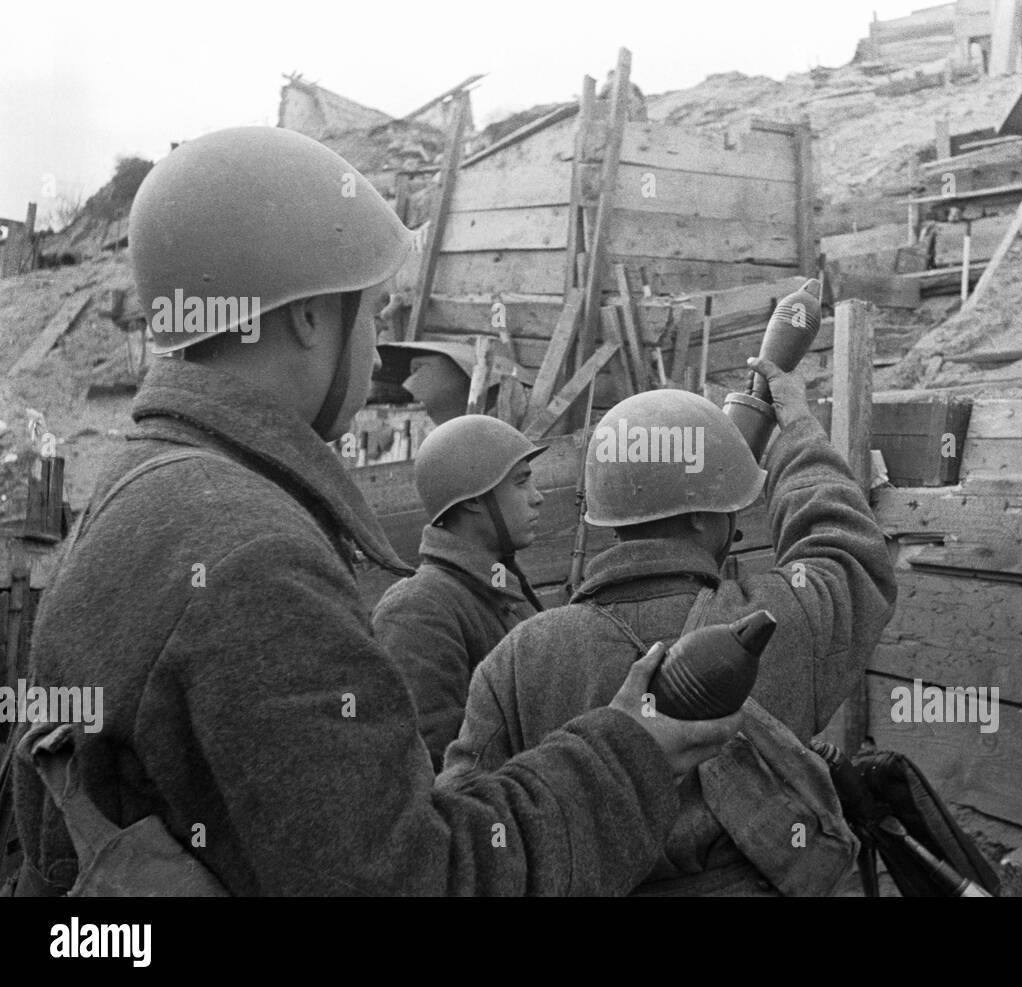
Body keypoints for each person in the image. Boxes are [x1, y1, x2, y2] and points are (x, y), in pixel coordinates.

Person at [9, 126, 738, 897]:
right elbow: (417, 880)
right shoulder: (253, 561)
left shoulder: (141, 491)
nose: (376, 347)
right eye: (375, 313)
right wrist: (631, 758)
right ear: (310, 317)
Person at [442, 375, 898, 896]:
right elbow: (848, 551)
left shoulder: (517, 657)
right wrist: (795, 426)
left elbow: (464, 825)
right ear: (707, 521)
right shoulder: (781, 617)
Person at [372, 416, 545, 769]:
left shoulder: (503, 587)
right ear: (474, 500)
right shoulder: (418, 611)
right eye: (521, 482)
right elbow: (431, 766)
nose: (537, 498)